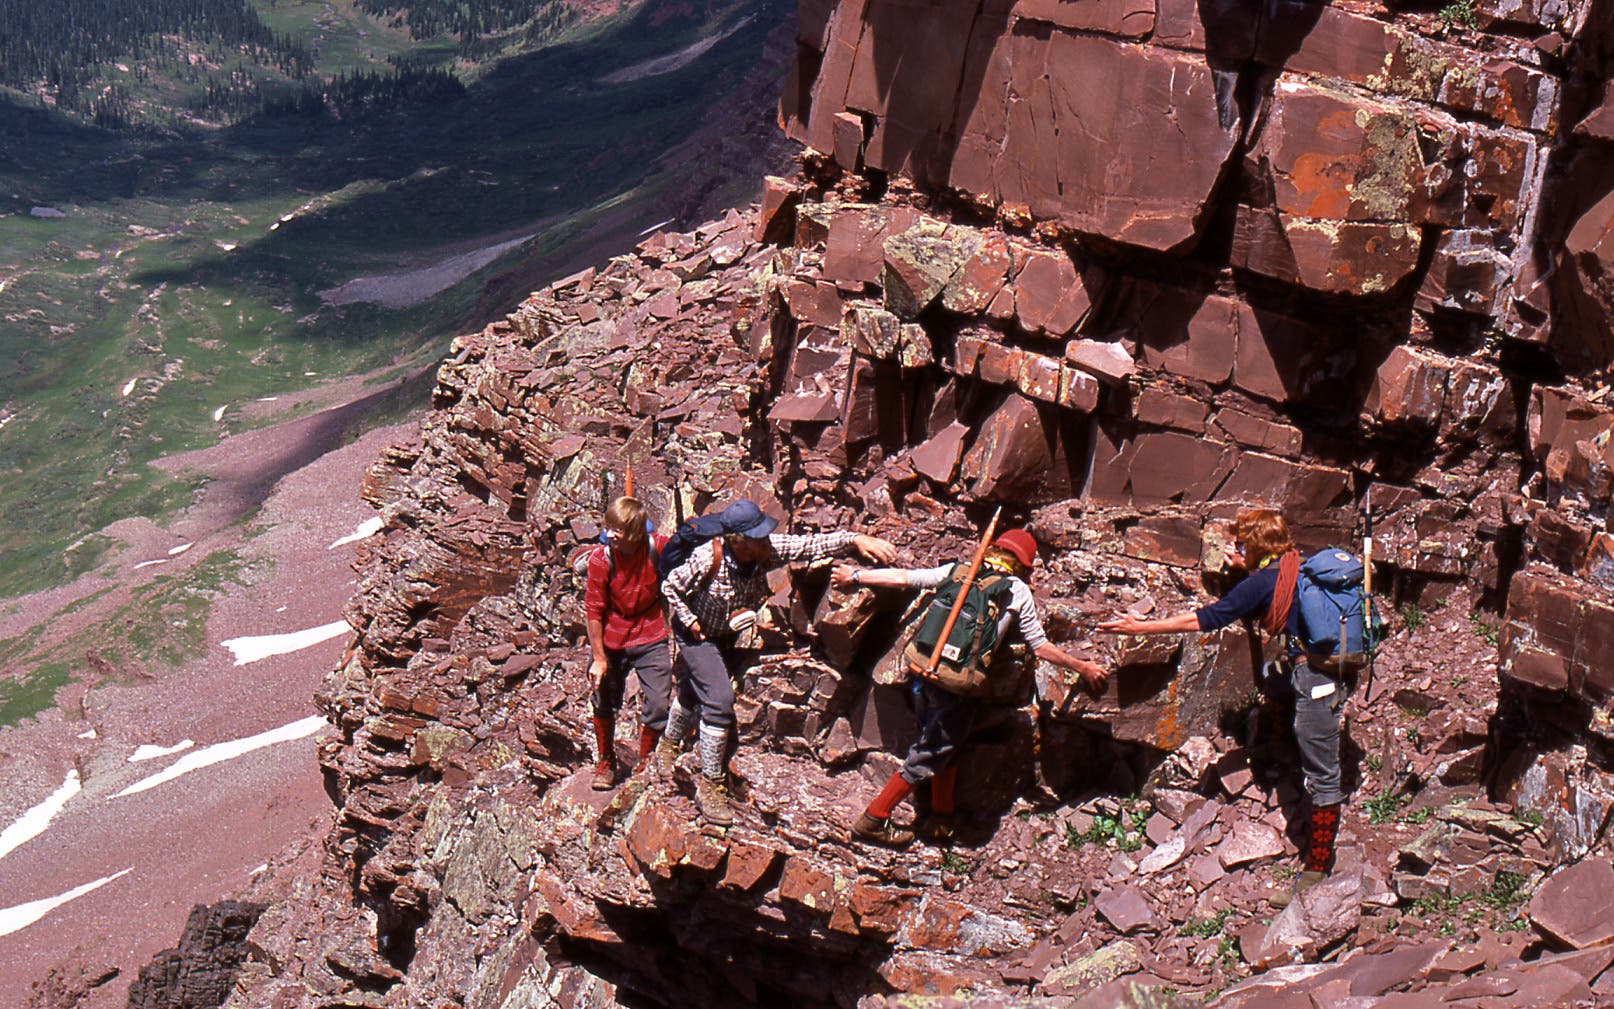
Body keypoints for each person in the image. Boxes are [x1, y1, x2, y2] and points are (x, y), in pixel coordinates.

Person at [1097, 507, 1343, 906]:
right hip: (1320, 667)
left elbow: (1206, 620)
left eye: (1239, 543)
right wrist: (1244, 567)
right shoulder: (1297, 565)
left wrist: (1139, 627)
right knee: (1273, 676)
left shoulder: (1262, 581)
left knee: (1323, 773)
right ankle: (1281, 756)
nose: (1231, 548)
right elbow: (1266, 597)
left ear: (1257, 546)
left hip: (1318, 680)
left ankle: (1317, 865)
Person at [833, 529, 1109, 847]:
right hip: (956, 688)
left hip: (924, 674)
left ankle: (941, 817)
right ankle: (874, 818)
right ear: (1023, 563)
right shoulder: (1016, 591)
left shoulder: (959, 571)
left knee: (946, 748)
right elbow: (1040, 646)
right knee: (929, 755)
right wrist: (1083, 667)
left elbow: (904, 578)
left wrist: (856, 576)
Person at [659, 500, 897, 826]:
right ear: (737, 540)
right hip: (697, 635)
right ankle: (710, 783)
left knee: (694, 688)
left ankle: (669, 743)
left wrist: (855, 540)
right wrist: (690, 621)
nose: (766, 539)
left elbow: (809, 545)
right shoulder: (706, 558)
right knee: (718, 699)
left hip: (727, 633)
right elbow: (670, 585)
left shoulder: (764, 552)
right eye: (757, 536)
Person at [583, 497, 673, 790]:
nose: (609, 535)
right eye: (608, 528)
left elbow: (688, 554)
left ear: (634, 532)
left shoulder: (657, 548)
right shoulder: (601, 559)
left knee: (659, 702)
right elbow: (594, 610)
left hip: (650, 631)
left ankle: (645, 758)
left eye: (617, 530)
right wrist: (599, 658)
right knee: (604, 699)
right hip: (612, 636)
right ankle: (606, 759)